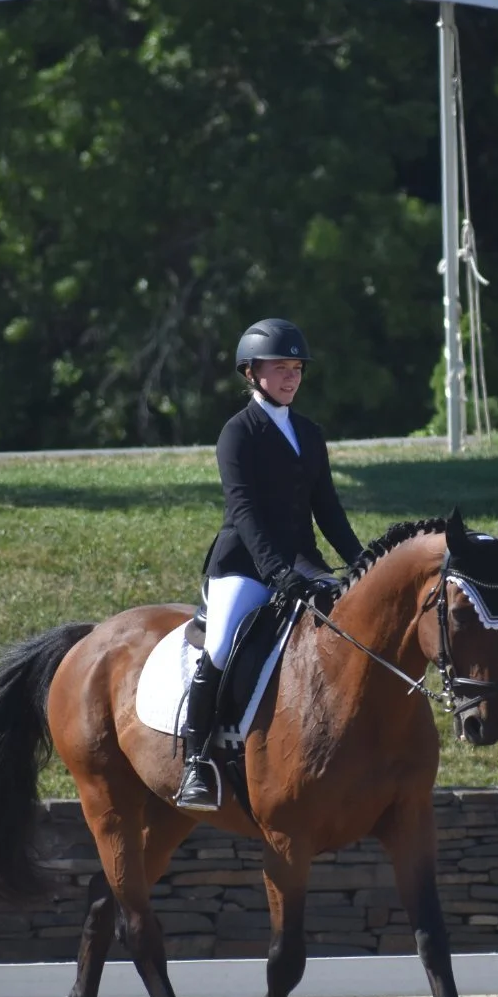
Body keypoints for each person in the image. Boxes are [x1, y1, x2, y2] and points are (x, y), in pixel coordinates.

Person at [174, 318, 365, 811]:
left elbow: (328, 510)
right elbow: (244, 511)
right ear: (252, 372)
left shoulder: (309, 432)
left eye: (296, 368)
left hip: (302, 560)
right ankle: (197, 763)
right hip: (243, 563)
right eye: (280, 368)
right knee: (219, 647)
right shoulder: (237, 433)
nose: (291, 378)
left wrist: (361, 561)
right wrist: (276, 572)